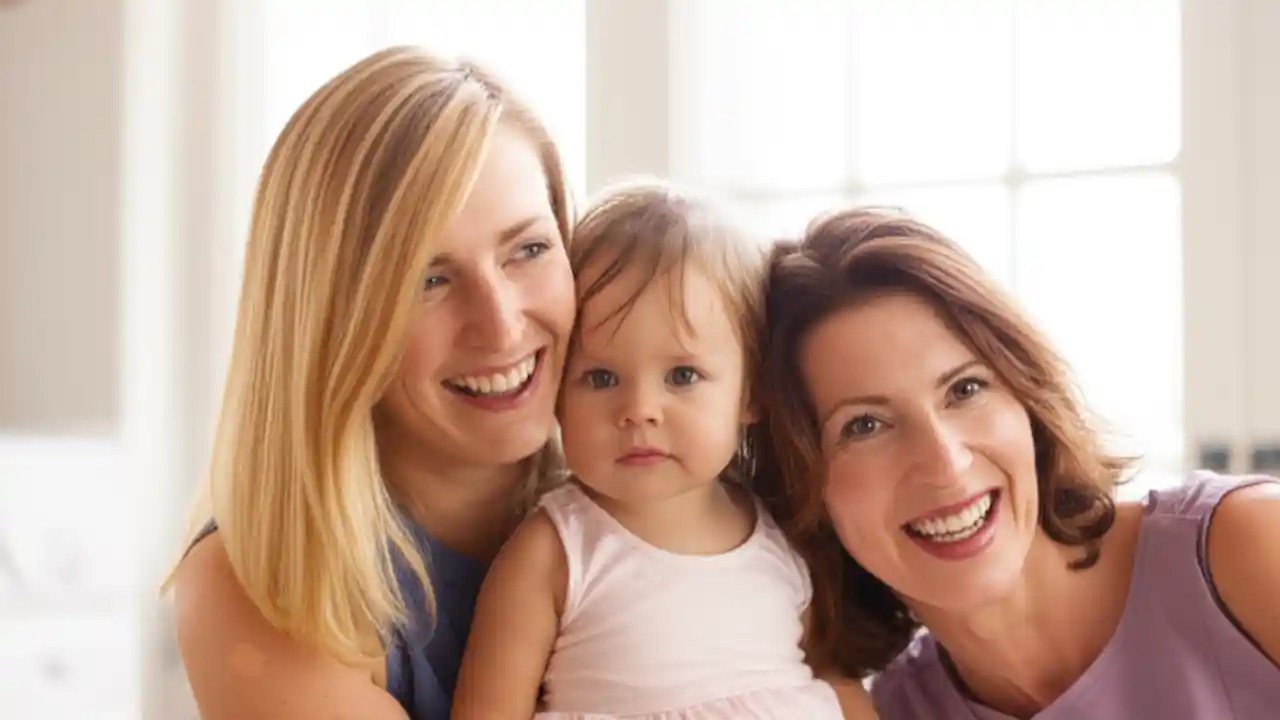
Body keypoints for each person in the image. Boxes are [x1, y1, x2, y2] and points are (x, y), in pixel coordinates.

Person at [166, 46, 577, 720]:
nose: (501, 327)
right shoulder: (260, 583)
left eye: (528, 249)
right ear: (330, 318)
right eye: (428, 281)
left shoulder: (679, 484)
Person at [755, 207, 1280, 718]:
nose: (946, 464)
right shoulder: (894, 709)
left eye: (965, 389)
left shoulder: (1243, 547)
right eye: (864, 425)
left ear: (1027, 398)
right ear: (804, 489)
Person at [452, 182, 875, 719]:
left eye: (682, 375)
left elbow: (836, 681)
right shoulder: (555, 552)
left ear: (751, 394)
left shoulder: (782, 536)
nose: (639, 409)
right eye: (600, 377)